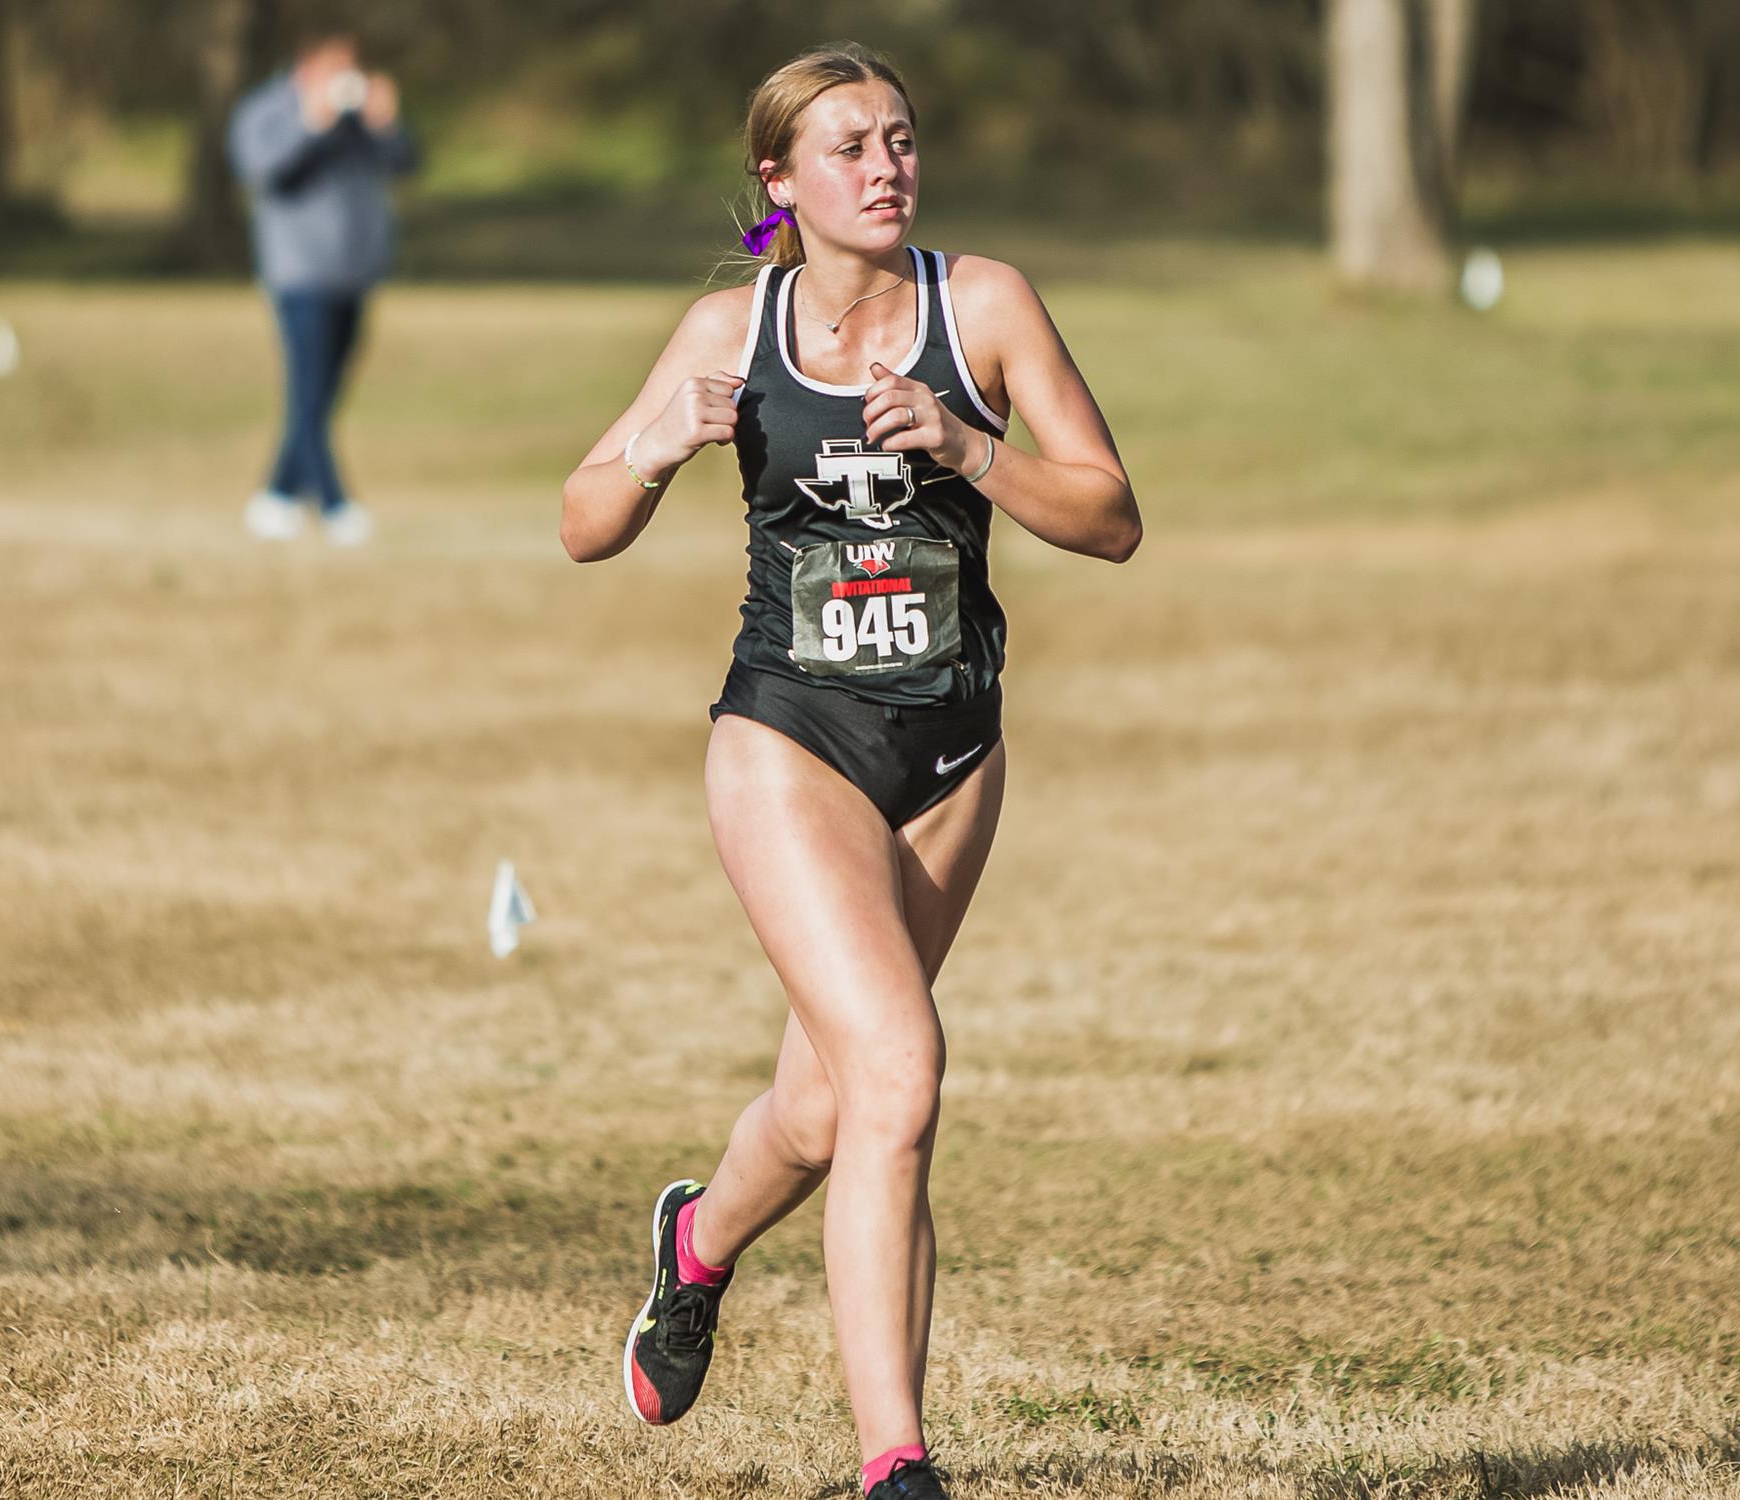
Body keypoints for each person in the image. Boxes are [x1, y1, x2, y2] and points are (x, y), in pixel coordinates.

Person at [560, 42, 1141, 1500]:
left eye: (902, 139)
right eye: (848, 149)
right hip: (788, 738)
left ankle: (696, 1245)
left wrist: (969, 444)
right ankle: (899, 1467)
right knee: (899, 1070)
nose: (886, 167)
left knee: (829, 1113)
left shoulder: (983, 306)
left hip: (949, 751)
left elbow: (1114, 515)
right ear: (781, 183)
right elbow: (580, 519)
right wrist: (654, 449)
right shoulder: (727, 329)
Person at [228, 32, 417, 546]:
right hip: (298, 275)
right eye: (335, 66)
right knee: (308, 390)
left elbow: (406, 163)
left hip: (354, 273)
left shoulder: (360, 119)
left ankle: (278, 496)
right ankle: (336, 504)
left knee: (323, 395)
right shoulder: (267, 110)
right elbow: (263, 171)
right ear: (307, 64)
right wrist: (311, 125)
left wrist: (387, 123)